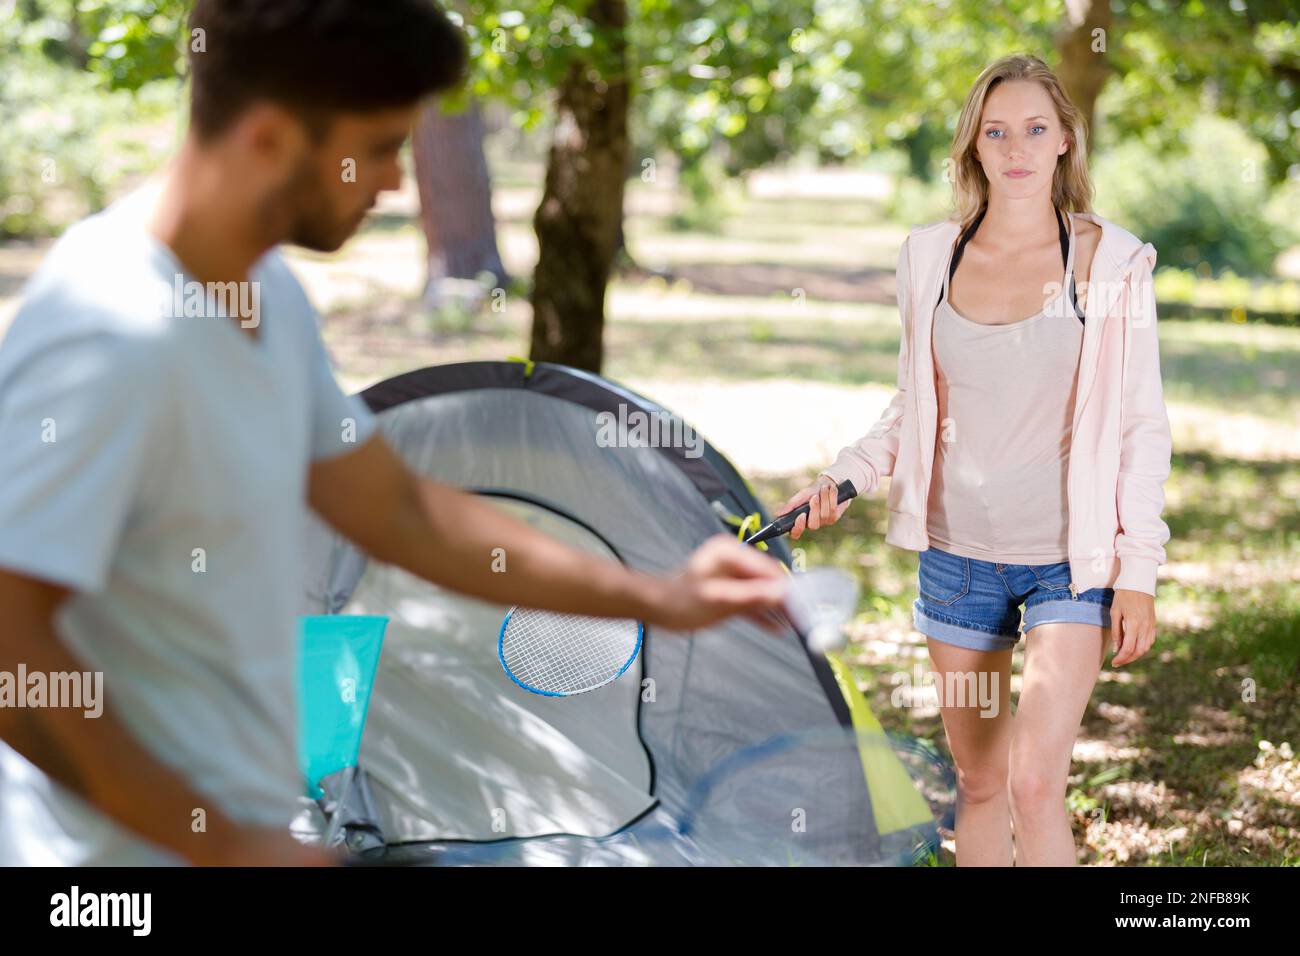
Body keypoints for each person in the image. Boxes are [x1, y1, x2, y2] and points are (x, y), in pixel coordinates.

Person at [0, 0, 789, 866]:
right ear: (268, 136)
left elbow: (401, 512)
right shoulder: (107, 325)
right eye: (378, 149)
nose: (396, 185)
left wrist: (662, 595)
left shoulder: (265, 296)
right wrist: (225, 845)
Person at [777, 53, 1172, 866]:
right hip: (957, 565)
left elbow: (1140, 424)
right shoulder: (932, 256)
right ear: (973, 146)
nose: (1016, 148)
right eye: (996, 131)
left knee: (1034, 781)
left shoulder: (1109, 262)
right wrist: (845, 476)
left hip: (1074, 565)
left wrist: (1139, 568)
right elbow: (913, 407)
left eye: (1034, 129)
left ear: (1065, 140)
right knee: (981, 782)